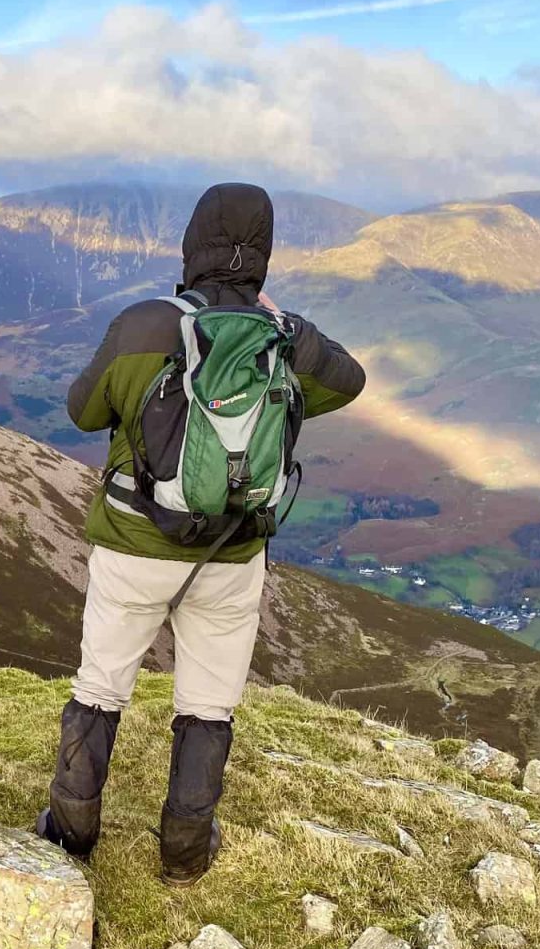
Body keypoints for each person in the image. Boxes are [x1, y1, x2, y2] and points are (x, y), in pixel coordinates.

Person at [37, 182, 366, 886]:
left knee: (100, 686)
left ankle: (69, 834)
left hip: (133, 544)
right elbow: (350, 380)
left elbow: (81, 410)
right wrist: (283, 323)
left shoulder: (143, 325)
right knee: (209, 703)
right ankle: (185, 851)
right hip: (231, 553)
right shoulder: (282, 341)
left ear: (190, 247)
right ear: (264, 257)